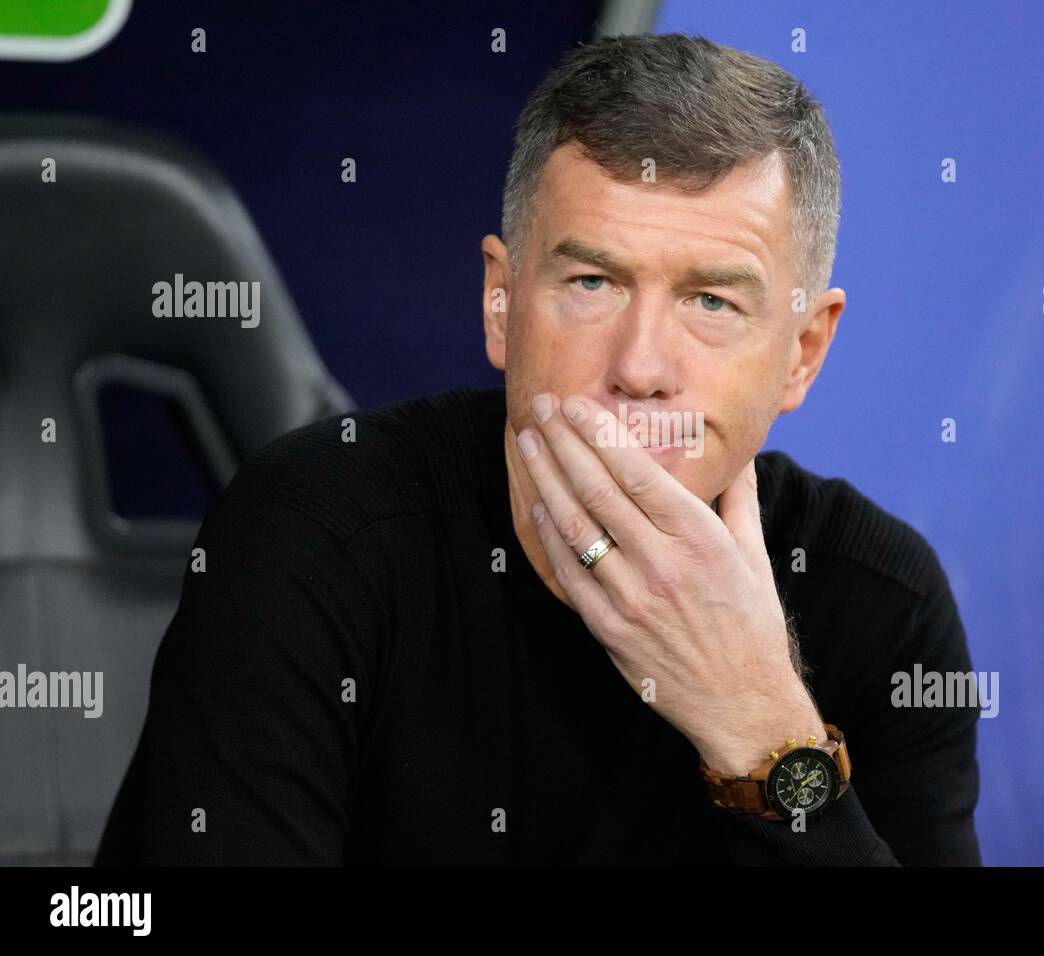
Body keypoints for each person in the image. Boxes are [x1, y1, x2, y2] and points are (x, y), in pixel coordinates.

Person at [96, 32, 981, 866]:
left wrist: (760, 724)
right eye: (592, 282)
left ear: (801, 352)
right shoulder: (312, 536)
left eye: (712, 302)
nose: (640, 369)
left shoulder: (883, 603)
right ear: (501, 304)